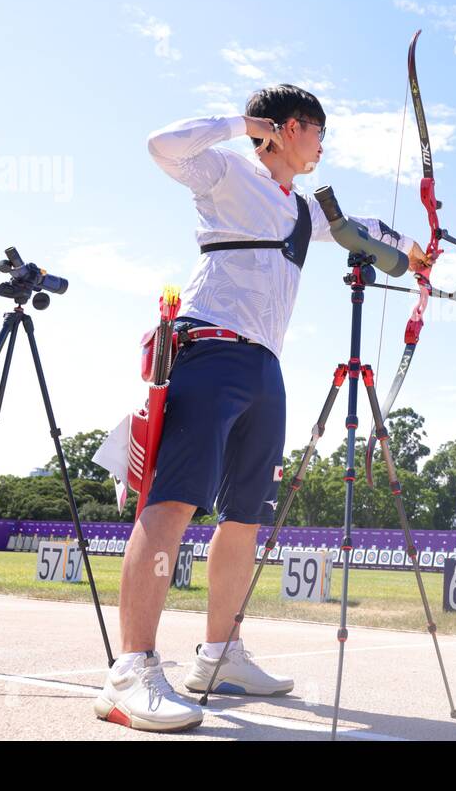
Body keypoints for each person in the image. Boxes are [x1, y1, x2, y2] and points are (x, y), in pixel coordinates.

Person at [94, 84, 429, 732]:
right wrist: (241, 123)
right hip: (209, 349)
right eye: (318, 134)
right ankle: (129, 673)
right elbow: (160, 145)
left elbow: (358, 232)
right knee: (171, 505)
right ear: (292, 127)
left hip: (265, 368)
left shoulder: (303, 211)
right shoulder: (228, 173)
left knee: (245, 517)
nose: (322, 148)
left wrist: (414, 250)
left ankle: (220, 655)